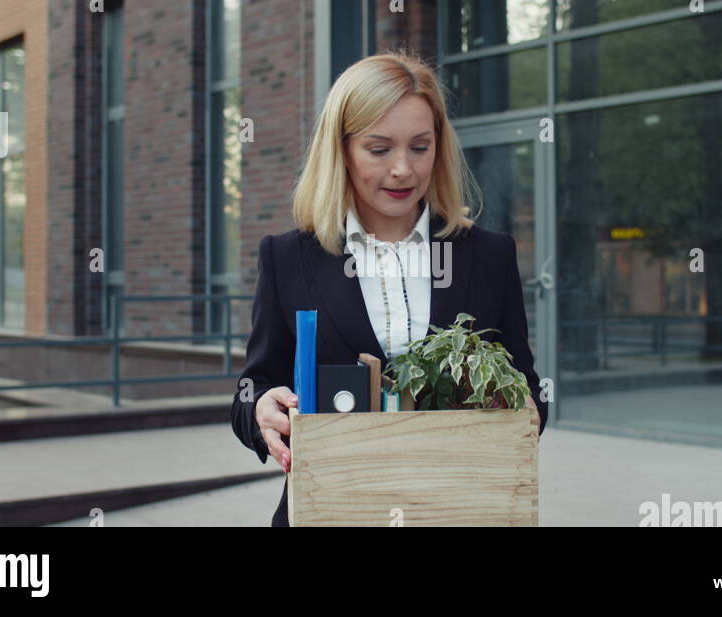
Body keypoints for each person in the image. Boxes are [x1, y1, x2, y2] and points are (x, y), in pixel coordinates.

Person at [230, 50, 548, 527]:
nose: (403, 169)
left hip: (460, 509)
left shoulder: (488, 255)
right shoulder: (287, 258)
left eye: (420, 147)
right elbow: (251, 389)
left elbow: (528, 387)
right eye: (379, 150)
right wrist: (260, 411)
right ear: (342, 151)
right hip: (330, 510)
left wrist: (524, 410)